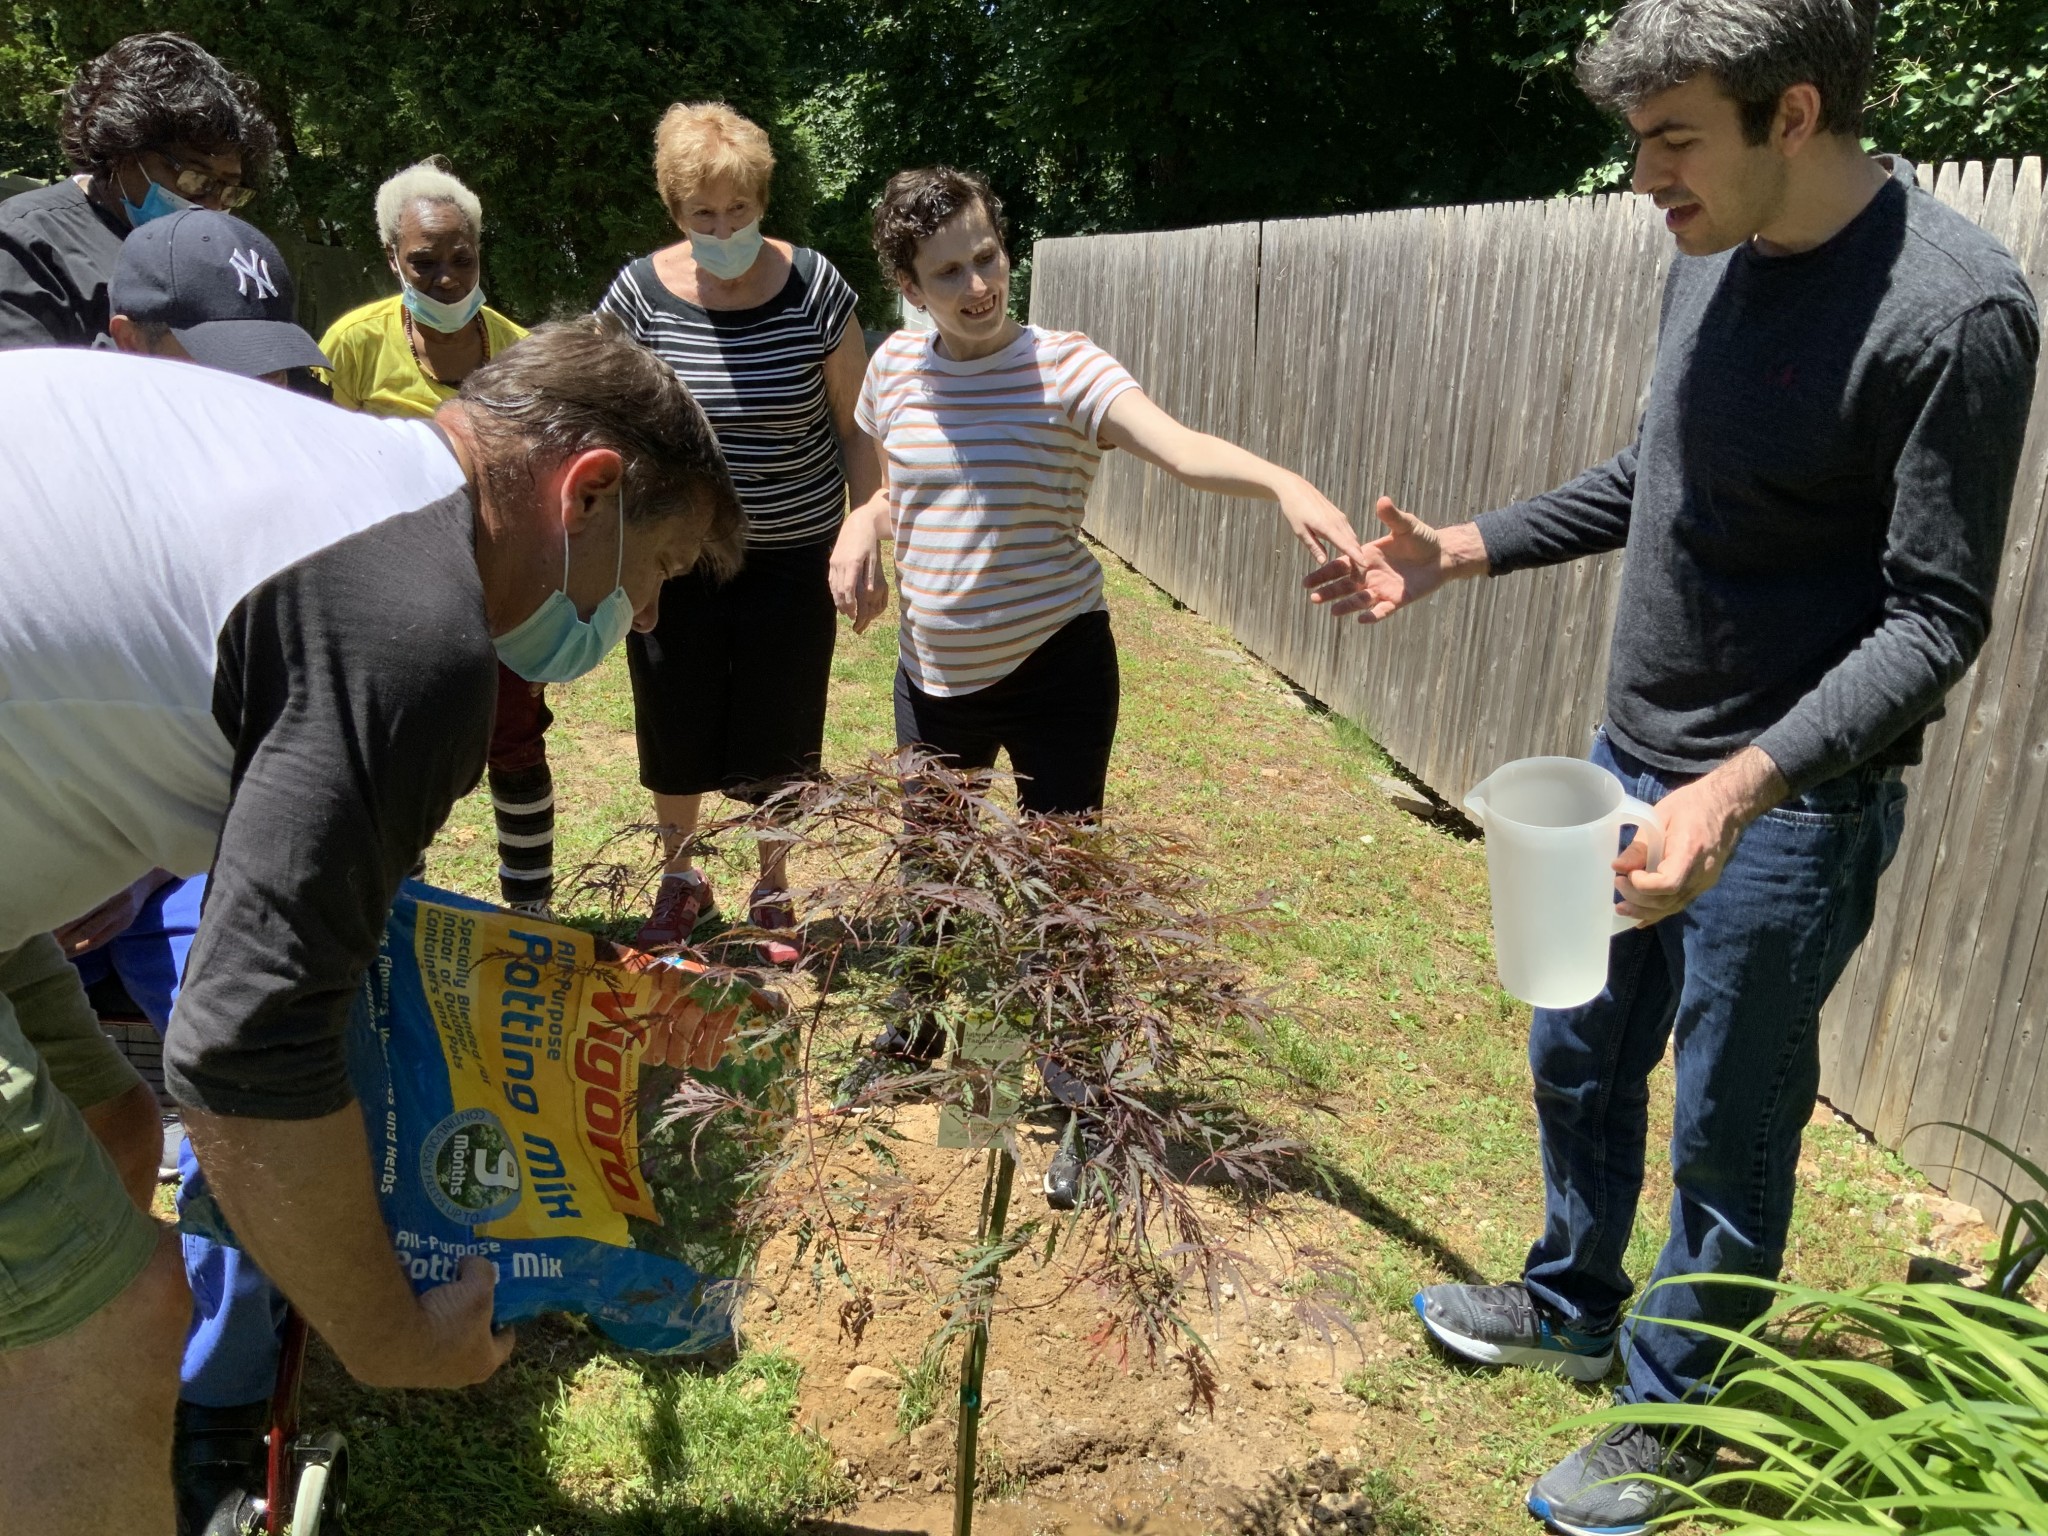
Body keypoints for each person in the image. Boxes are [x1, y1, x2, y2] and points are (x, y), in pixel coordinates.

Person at [1299, 4, 2041, 1531]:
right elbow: (1666, 473)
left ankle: (1673, 1409)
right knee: (1575, 1047)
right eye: (1636, 141)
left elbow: (1935, 617)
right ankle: (1571, 1296)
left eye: (1672, 136)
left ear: (1795, 113)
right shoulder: (1710, 253)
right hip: (1626, 756)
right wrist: (1462, 550)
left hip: (1788, 811)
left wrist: (1734, 787)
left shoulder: (1956, 312)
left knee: (1730, 1117)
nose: (1643, 175)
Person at [0, 315, 746, 1535]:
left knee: (109, 1125)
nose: (646, 620)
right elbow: (248, 1051)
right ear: (591, 489)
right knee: (112, 1323)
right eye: (655, 571)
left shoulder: (353, 478)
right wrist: (393, 1336)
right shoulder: (412, 629)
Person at [829, 166, 1370, 1208]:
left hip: (1054, 670)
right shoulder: (893, 368)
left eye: (987, 256)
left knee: (1061, 888)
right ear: (908, 280)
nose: (979, 284)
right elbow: (899, 488)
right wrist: (862, 526)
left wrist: (1278, 481)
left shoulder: (1065, 368)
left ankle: (1078, 1094)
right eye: (949, 272)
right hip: (930, 676)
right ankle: (919, 1036)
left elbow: (1175, 448)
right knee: (931, 868)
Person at [62, 206, 340, 1536]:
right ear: (123, 342)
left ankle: (218, 1400)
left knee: (245, 1088)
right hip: (37, 864)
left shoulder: (277, 499)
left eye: (270, 373)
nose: (256, 408)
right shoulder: (42, 471)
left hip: (184, 863)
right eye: (216, 372)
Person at [599, 102, 881, 964]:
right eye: (702, 215)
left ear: (763, 200)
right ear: (675, 212)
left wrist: (865, 524)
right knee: (673, 715)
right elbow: (605, 423)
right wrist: (622, 562)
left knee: (783, 724)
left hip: (793, 549)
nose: (723, 229)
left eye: (739, 212)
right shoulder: (637, 294)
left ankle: (774, 882)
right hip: (675, 555)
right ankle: (681, 878)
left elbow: (857, 423)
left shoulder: (816, 287)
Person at [321, 160, 555, 915]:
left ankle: (531, 913)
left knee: (515, 745)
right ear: (393, 258)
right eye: (426, 262)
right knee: (404, 754)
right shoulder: (352, 348)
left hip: (499, 585)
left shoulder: (519, 349)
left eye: (463, 257)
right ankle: (403, 908)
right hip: (394, 587)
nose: (448, 277)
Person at [0, 31, 272, 348]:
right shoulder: (26, 243)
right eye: (196, 179)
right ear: (124, 151)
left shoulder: (226, 257)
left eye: (230, 190)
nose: (210, 204)